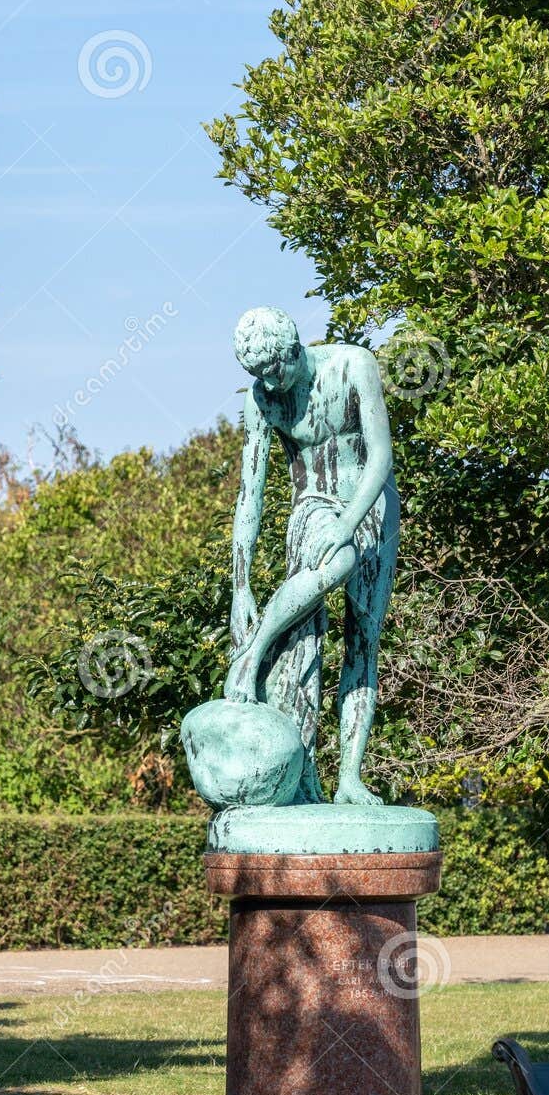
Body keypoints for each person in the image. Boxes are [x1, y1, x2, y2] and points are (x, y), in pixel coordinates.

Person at [226, 306, 399, 806]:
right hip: (314, 504)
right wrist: (241, 587)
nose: (270, 382)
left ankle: (349, 777)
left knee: (364, 641)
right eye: (259, 375)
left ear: (294, 347)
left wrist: (350, 522)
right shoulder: (263, 401)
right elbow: (249, 497)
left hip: (372, 504)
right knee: (332, 569)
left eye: (274, 368)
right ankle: (255, 652)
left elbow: (381, 455)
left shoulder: (354, 365)